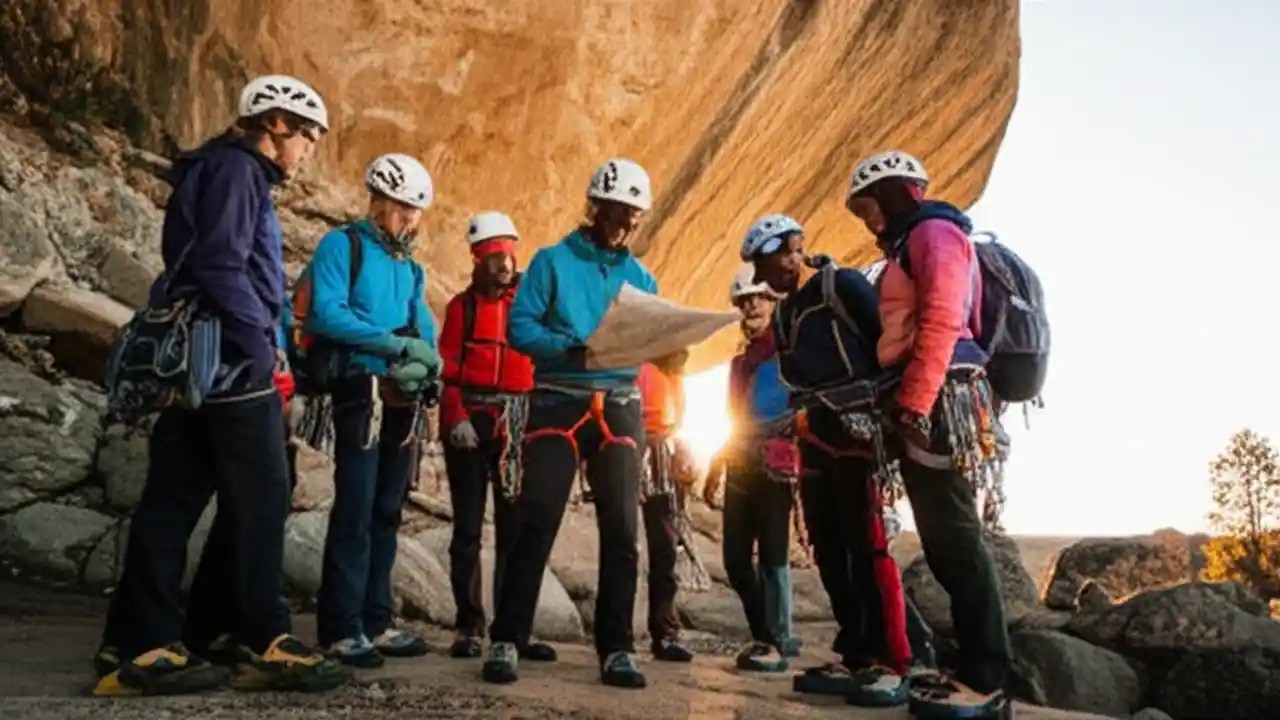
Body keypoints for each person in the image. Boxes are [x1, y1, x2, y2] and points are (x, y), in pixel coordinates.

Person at [93, 74, 350, 696]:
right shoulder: (238, 173)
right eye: (308, 135)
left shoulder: (212, 168)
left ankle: (138, 643)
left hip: (197, 368)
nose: (309, 149)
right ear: (277, 126)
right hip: (232, 366)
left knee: (172, 500)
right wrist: (262, 348)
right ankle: (260, 638)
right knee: (262, 497)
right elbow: (221, 265)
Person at [844, 150, 1010, 716]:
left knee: (957, 536)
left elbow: (941, 317)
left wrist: (913, 401)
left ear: (896, 192)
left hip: (940, 397)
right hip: (926, 394)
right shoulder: (912, 241)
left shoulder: (935, 234)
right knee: (943, 537)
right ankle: (970, 668)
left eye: (870, 206)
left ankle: (988, 678)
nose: (868, 221)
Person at [483, 158, 657, 689]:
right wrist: (571, 349)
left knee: (623, 530)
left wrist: (670, 353)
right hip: (559, 399)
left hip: (620, 403)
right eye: (613, 211)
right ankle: (507, 638)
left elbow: (651, 335)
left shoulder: (640, 275)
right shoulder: (551, 262)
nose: (621, 223)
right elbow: (521, 328)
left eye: (631, 215)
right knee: (537, 516)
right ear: (594, 207)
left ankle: (617, 649)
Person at [745, 213, 914, 707]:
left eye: (775, 257)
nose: (770, 273)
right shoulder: (783, 316)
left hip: (860, 434)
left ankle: (893, 660)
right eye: (762, 266)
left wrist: (893, 417)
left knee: (866, 544)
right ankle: (858, 653)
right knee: (828, 544)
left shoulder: (841, 286)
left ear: (795, 248)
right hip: (816, 438)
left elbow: (885, 343)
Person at [306, 153, 443, 668]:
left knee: (387, 509)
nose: (410, 219)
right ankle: (340, 627)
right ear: (379, 201)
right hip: (360, 389)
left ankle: (376, 620)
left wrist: (430, 366)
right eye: (403, 207)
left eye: (416, 211)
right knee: (356, 505)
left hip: (399, 396)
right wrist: (393, 346)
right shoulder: (343, 246)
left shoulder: (410, 267)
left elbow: (422, 326)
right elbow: (327, 313)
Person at [437, 211, 555, 663]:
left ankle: (512, 631)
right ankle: (469, 626)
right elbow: (446, 371)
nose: (504, 263)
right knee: (468, 528)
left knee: (514, 530)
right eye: (494, 255)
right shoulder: (460, 309)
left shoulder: (528, 304)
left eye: (508, 253)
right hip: (472, 418)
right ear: (477, 258)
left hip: (517, 422)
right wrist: (455, 418)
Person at [701, 265, 799, 674]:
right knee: (736, 560)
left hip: (775, 466)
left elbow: (800, 410)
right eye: (745, 301)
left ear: (775, 303)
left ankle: (776, 640)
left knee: (773, 558)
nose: (751, 306)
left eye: (759, 298)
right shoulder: (739, 365)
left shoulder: (791, 357)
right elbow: (734, 418)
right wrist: (716, 465)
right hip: (742, 464)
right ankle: (765, 635)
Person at [635, 354, 697, 663]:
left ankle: (664, 632)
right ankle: (618, 635)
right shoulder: (628, 355)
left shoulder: (669, 367)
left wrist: (683, 448)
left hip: (660, 449)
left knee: (665, 547)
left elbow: (681, 413)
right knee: (621, 540)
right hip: (625, 441)